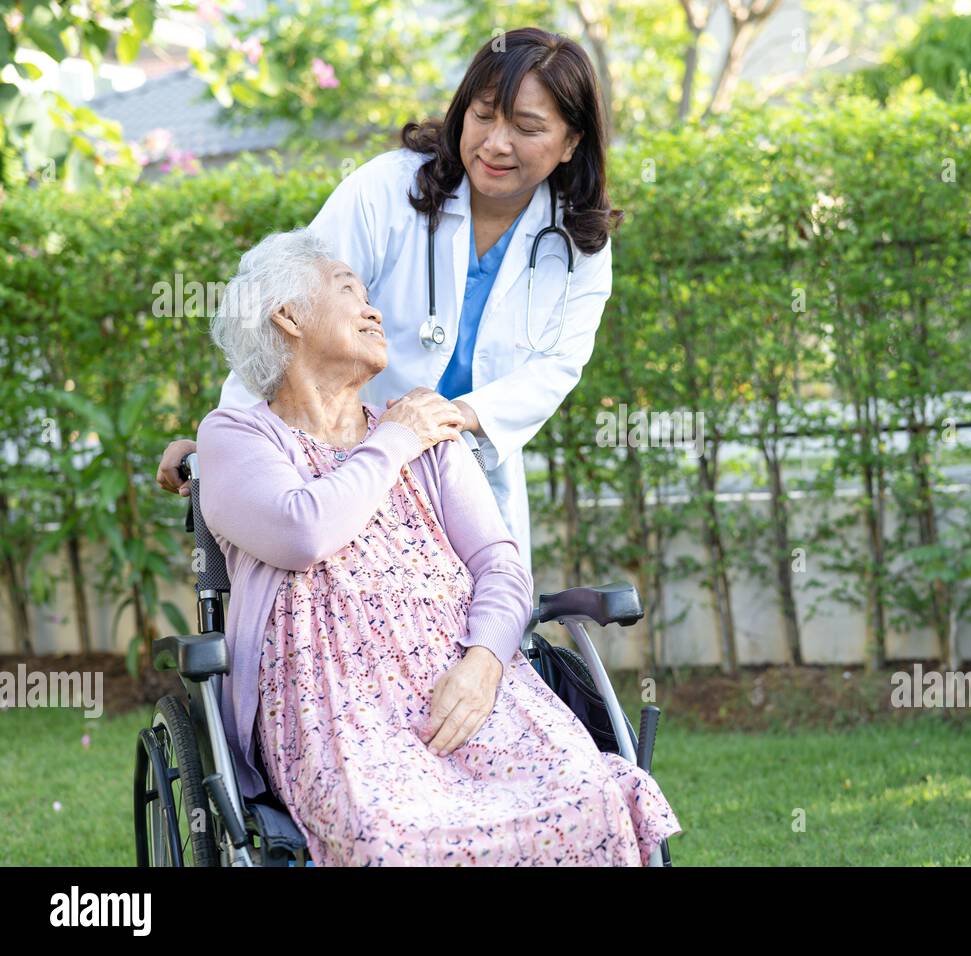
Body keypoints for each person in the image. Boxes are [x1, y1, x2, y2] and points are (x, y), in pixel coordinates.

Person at [198, 228, 680, 865]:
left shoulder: (428, 430)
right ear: (287, 316)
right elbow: (302, 531)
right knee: (393, 836)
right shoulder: (238, 435)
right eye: (349, 291)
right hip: (340, 714)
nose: (373, 309)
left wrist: (484, 662)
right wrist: (395, 438)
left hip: (474, 687)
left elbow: (500, 567)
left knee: (590, 797)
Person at [159, 27, 621, 579]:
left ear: (571, 142)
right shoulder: (386, 190)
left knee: (486, 619)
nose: (496, 143)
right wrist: (228, 439)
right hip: (344, 465)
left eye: (527, 128)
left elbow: (557, 366)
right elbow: (289, 313)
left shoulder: (578, 241)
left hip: (465, 475)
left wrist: (451, 418)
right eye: (482, 115)